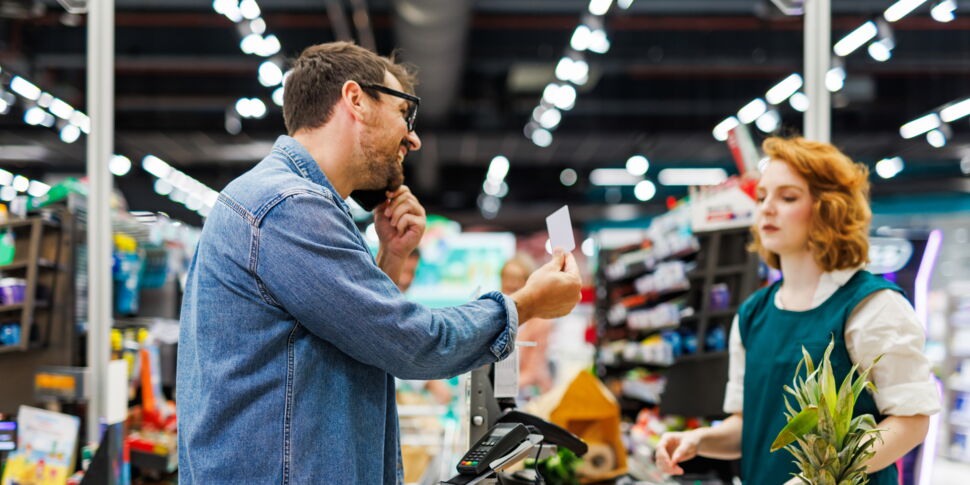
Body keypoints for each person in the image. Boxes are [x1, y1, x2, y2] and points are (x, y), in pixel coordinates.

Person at [176, 41, 582, 484]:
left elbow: (357, 337)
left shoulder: (288, 202)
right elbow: (412, 343)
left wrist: (390, 257)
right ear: (355, 100)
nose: (413, 137)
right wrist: (526, 304)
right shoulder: (290, 207)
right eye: (403, 113)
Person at [654, 137, 940, 484]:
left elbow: (911, 420)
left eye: (788, 197)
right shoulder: (753, 314)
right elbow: (750, 426)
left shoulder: (871, 306)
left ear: (829, 208)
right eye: (762, 197)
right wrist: (699, 440)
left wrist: (822, 477)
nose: (767, 209)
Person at [502, 253, 554, 394]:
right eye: (506, 279)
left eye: (516, 280)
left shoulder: (540, 321)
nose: (510, 285)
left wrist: (501, 387)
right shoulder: (498, 316)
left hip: (531, 394)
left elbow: (534, 371)